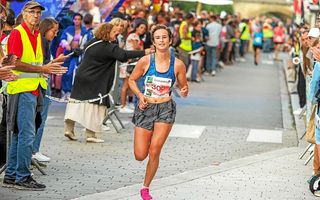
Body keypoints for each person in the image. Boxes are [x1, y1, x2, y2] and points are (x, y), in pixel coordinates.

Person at [3, 1, 67, 190]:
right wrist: (43, 68)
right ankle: (22, 176)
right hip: (22, 89)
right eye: (32, 11)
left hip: (33, 88)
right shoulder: (18, 33)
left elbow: (36, 62)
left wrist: (47, 67)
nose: (36, 15)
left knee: (20, 134)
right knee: (27, 135)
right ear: (24, 13)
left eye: (39, 12)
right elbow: (14, 63)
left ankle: (12, 175)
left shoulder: (36, 34)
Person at [64, 23, 153, 143]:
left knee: (76, 102)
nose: (117, 34)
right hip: (95, 80)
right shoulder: (108, 47)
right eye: (114, 32)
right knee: (95, 105)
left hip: (81, 76)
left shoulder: (93, 41)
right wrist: (144, 52)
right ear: (107, 33)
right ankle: (91, 134)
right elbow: (123, 55)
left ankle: (69, 129)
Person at [128, 24, 188, 200]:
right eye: (158, 38)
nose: (161, 40)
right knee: (140, 155)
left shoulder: (178, 64)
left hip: (165, 109)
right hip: (146, 108)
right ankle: (146, 140)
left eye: (164, 37)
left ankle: (145, 188)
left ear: (170, 40)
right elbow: (132, 80)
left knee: (155, 150)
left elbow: (184, 87)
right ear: (153, 41)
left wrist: (184, 91)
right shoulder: (146, 61)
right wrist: (140, 96)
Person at [32, 18, 69, 162]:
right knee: (40, 117)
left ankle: (34, 149)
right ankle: (34, 150)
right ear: (46, 29)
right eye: (54, 31)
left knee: (40, 117)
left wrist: (56, 62)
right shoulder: (41, 41)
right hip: (40, 82)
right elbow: (42, 64)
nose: (55, 34)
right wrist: (55, 62)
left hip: (43, 80)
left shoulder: (45, 42)